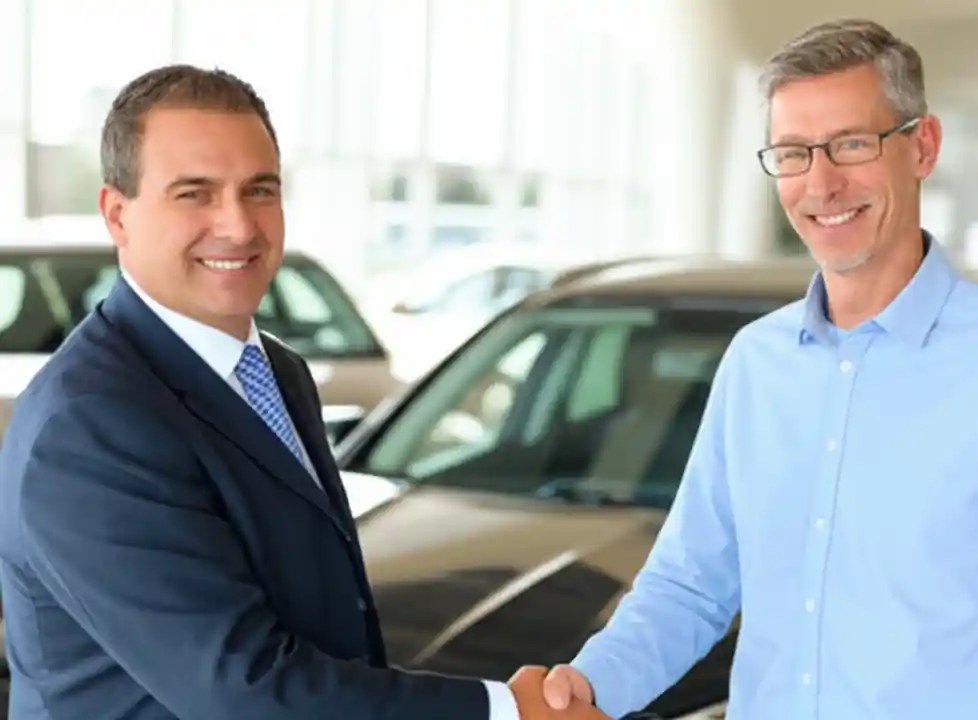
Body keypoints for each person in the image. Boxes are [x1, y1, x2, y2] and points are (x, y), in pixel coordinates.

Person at [541, 18, 978, 720]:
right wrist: (591, 686)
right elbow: (691, 587)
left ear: (922, 146)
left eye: (852, 144)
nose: (822, 183)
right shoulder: (756, 365)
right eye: (794, 153)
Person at [0, 64, 601, 720]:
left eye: (260, 190)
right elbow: (240, 686)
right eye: (194, 194)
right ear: (117, 214)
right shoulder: (91, 424)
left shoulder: (278, 371)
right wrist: (504, 710)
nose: (238, 225)